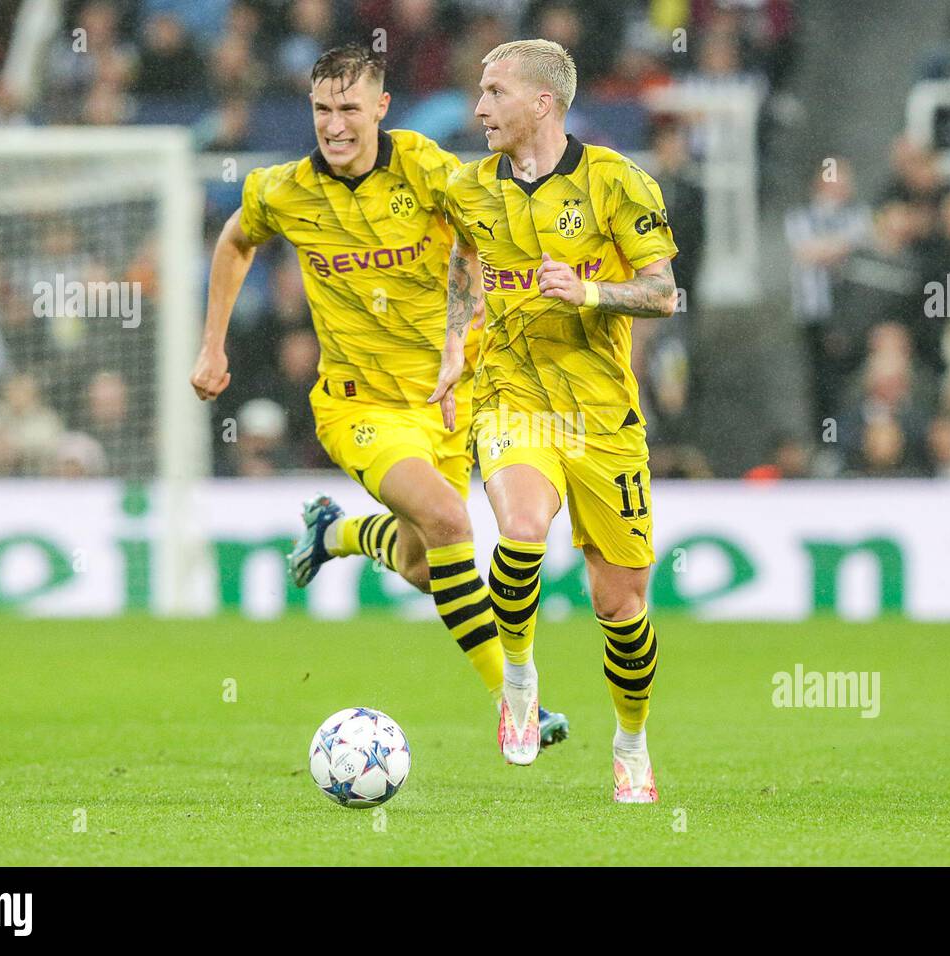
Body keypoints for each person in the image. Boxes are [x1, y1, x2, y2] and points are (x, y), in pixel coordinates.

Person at [189, 44, 570, 748]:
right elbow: (236, 241)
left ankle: (333, 533)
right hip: (358, 405)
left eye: (349, 109)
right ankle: (516, 703)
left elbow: (477, 241)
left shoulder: (426, 168)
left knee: (428, 570)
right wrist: (213, 342)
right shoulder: (283, 190)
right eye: (322, 110)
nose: (334, 126)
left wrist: (462, 337)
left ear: (381, 109)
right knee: (450, 520)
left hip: (447, 401)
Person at [431, 39, 678, 802]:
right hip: (512, 395)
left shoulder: (617, 182)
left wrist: (593, 294)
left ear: (543, 103)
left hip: (602, 415)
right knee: (523, 530)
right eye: (479, 91)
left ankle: (631, 743)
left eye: (494, 93)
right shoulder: (471, 189)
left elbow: (664, 291)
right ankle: (519, 681)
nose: (479, 108)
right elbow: (466, 264)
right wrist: (450, 349)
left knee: (621, 603)